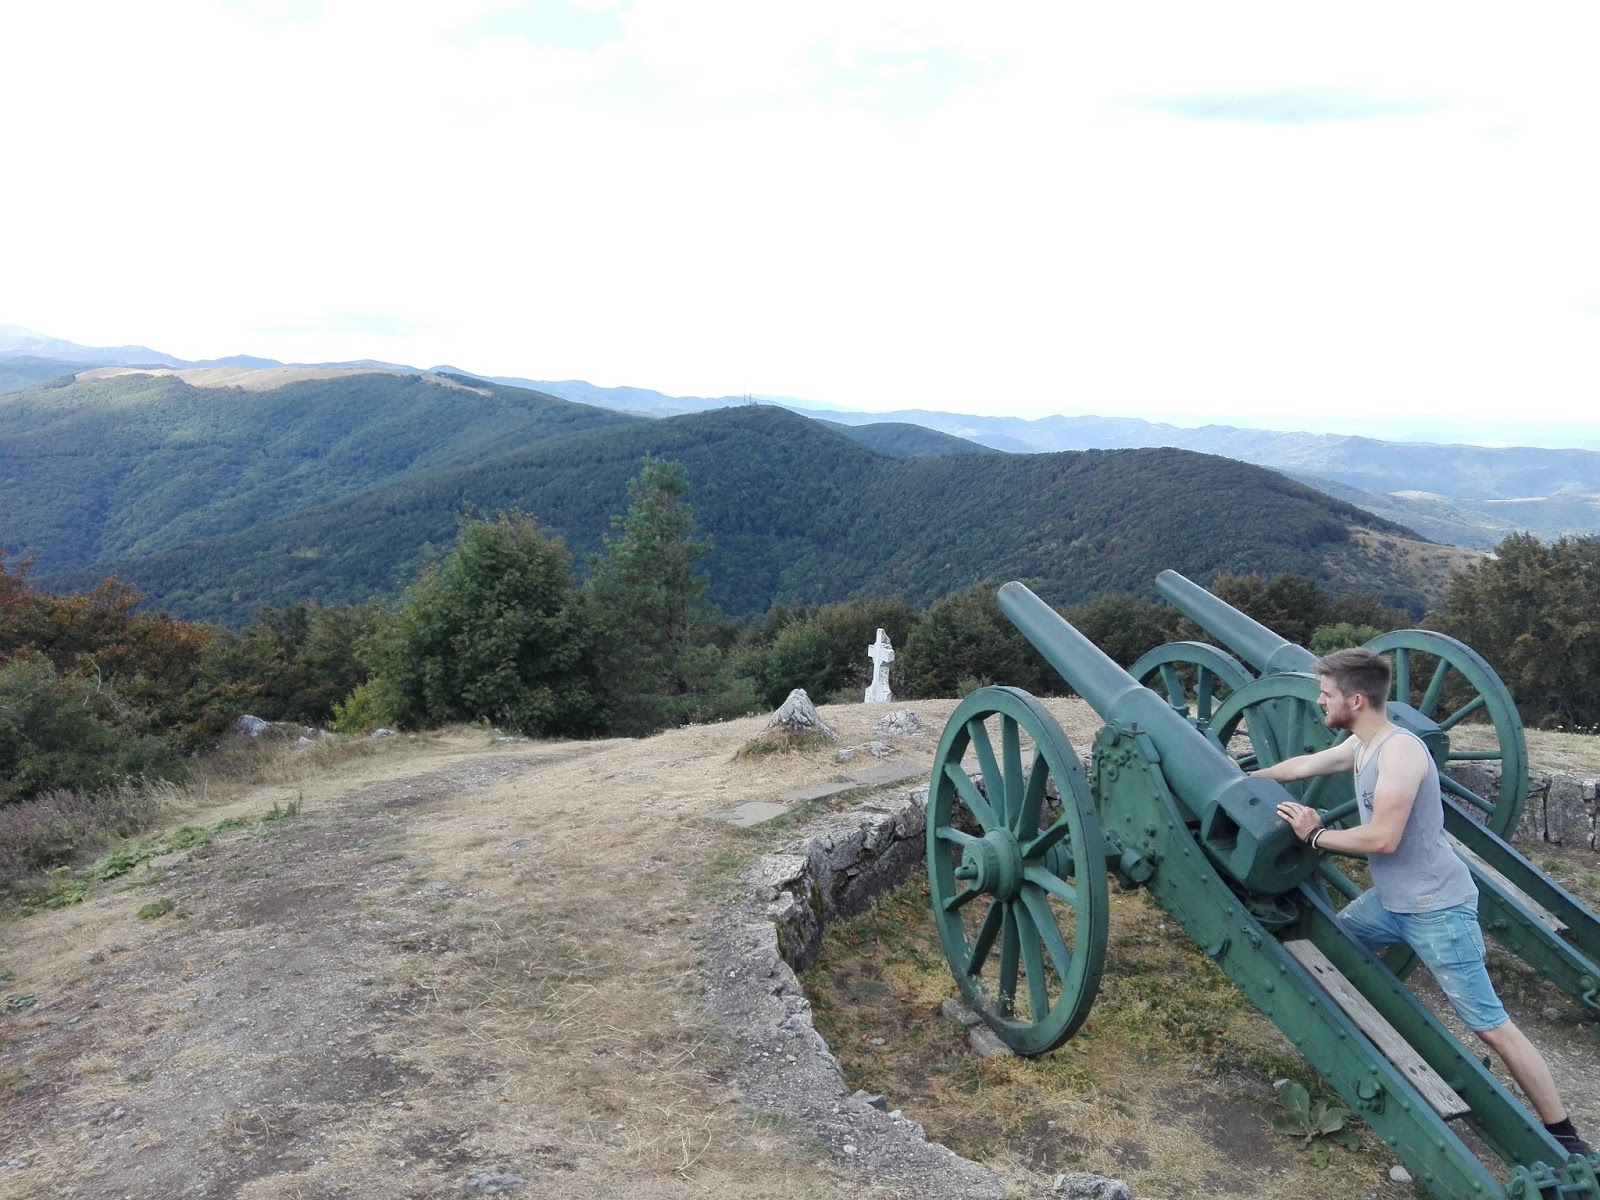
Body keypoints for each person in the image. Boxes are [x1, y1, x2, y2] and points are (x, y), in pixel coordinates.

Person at [1255, 647, 1591, 1158]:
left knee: (1492, 1027)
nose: (1320, 703)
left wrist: (1315, 834)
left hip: (1437, 908)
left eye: (1327, 695)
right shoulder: (1361, 744)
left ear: (1357, 699)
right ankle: (1377, 1050)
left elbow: (1384, 838)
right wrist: (1247, 781)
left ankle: (1565, 1134)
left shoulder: (1401, 753)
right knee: (1333, 948)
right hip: (1392, 901)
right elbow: (1305, 763)